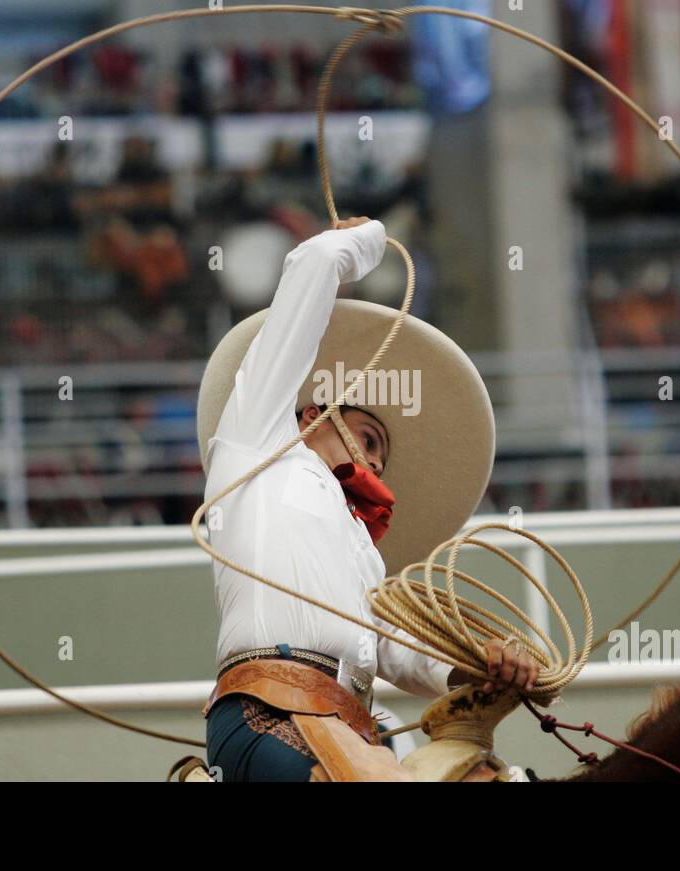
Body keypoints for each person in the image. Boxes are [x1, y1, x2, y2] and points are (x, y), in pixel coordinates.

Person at [194, 217, 540, 781]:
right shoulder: (257, 443)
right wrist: (366, 238)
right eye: (371, 441)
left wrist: (480, 667)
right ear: (312, 416)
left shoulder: (361, 550)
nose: (377, 465)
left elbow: (397, 649)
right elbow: (312, 266)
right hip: (272, 708)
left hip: (348, 727)